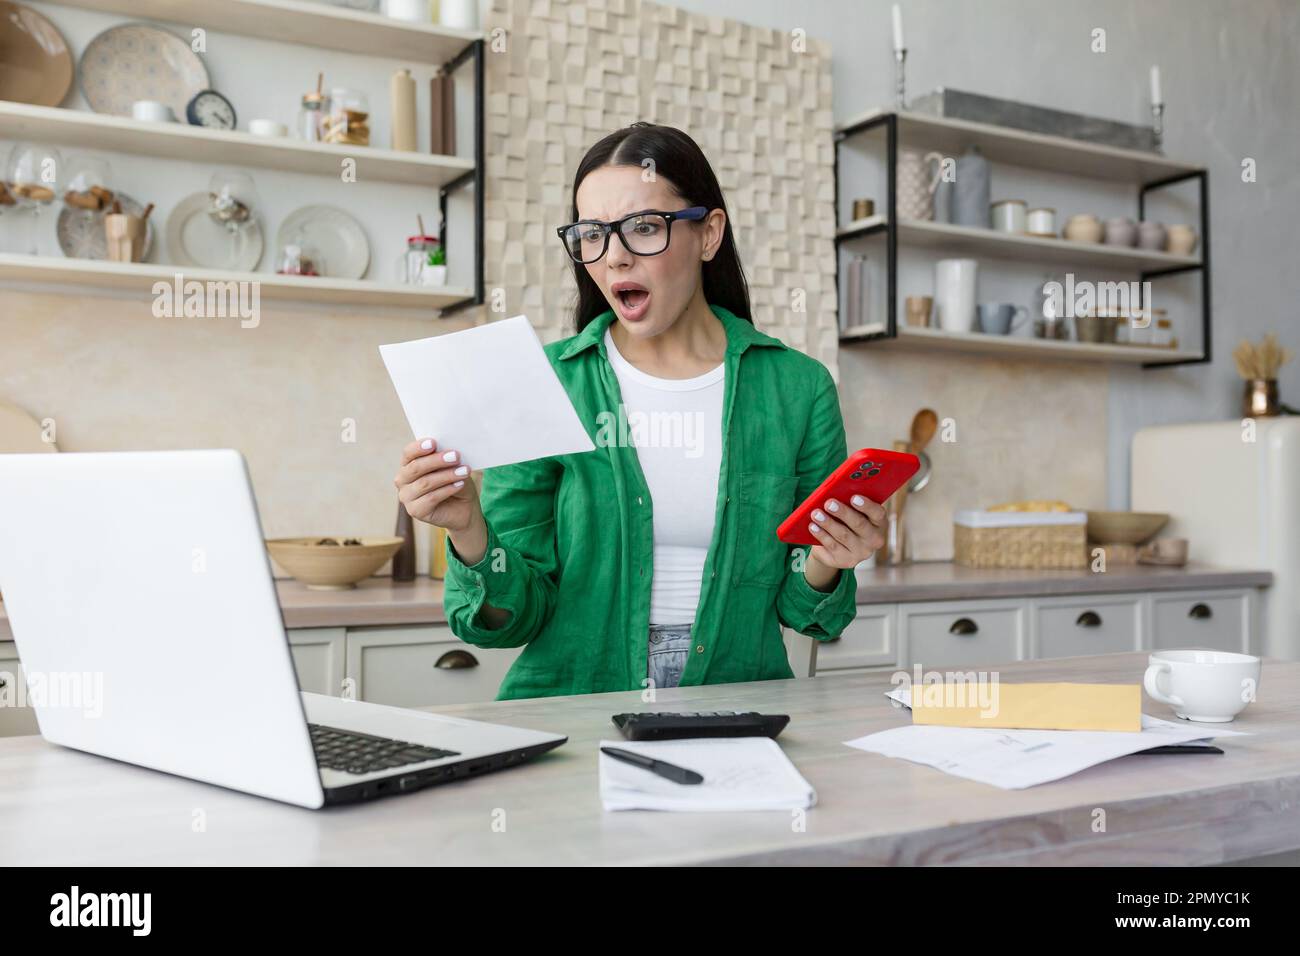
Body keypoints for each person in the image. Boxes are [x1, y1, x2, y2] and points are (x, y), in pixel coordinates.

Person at [394, 122, 886, 700]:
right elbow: (508, 622)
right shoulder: (544, 381)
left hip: (738, 702)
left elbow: (808, 614)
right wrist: (470, 530)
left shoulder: (797, 389)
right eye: (592, 235)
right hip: (572, 707)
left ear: (709, 234)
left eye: (644, 227)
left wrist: (829, 559)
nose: (615, 257)